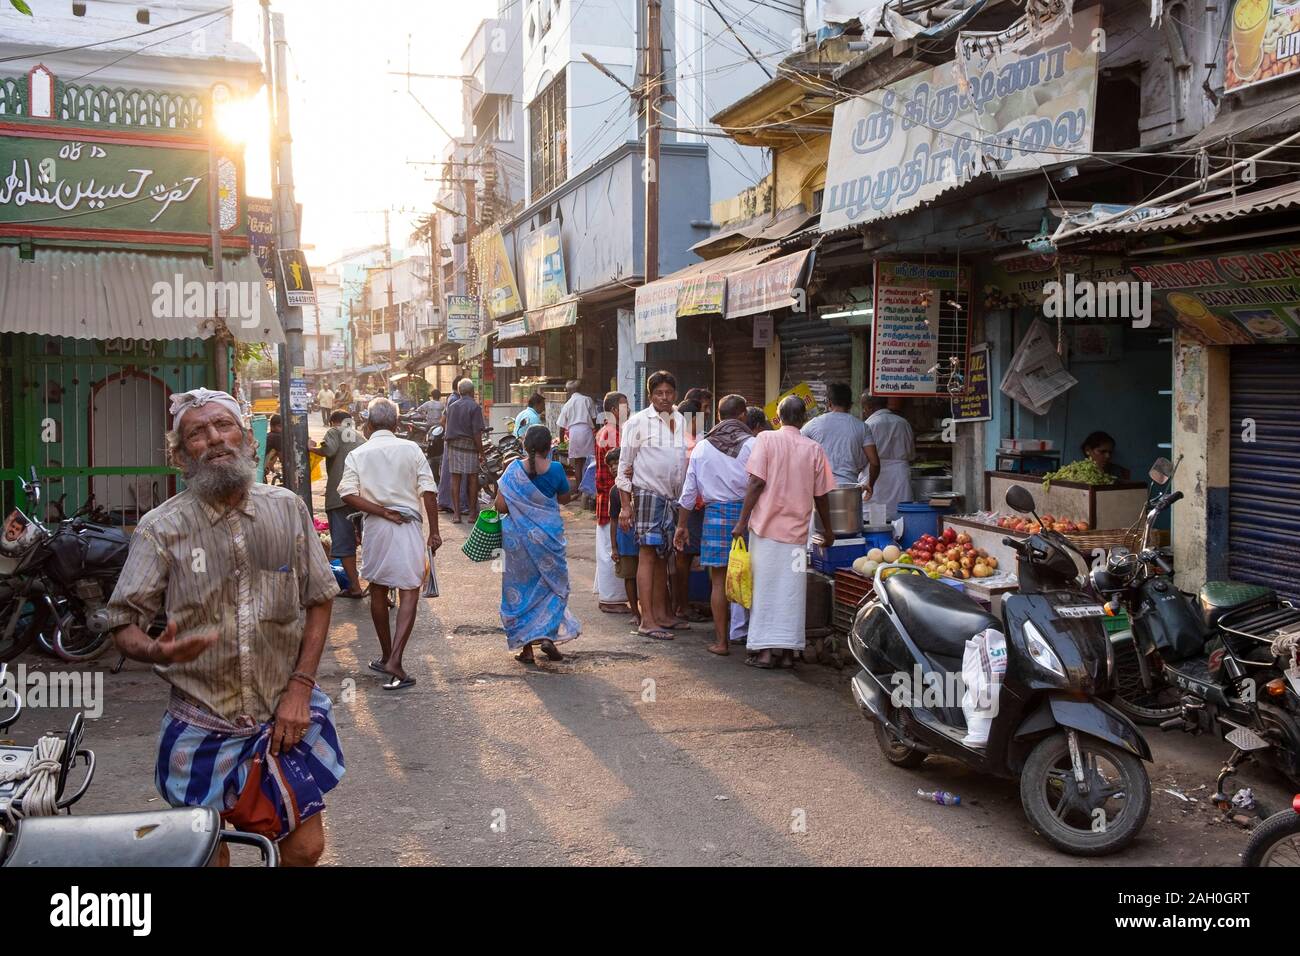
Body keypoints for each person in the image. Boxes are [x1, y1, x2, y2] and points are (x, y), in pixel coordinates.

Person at [104, 388, 342, 866]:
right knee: (206, 856)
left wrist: (300, 687)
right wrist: (157, 651)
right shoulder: (160, 528)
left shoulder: (288, 510)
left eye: (223, 425)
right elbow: (123, 624)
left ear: (247, 440)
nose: (214, 438)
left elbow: (319, 600)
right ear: (180, 455)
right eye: (197, 432)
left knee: (304, 850)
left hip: (283, 717)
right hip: (200, 724)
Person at [337, 398, 440, 691]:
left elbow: (346, 493)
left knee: (379, 589)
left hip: (376, 527)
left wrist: (380, 511)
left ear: (368, 426)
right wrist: (434, 532)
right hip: (407, 526)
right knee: (409, 591)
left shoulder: (358, 453)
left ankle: (386, 656)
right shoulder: (411, 449)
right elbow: (428, 492)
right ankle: (395, 659)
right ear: (396, 424)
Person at [733, 395, 836, 670]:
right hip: (797, 535)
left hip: (766, 531)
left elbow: (756, 483)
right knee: (792, 593)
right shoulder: (814, 449)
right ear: (803, 418)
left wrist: (741, 522)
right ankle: (788, 653)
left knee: (765, 591)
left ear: (778, 416)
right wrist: (828, 528)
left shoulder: (766, 440)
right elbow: (822, 496)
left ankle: (766, 653)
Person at [673, 394, 754, 656]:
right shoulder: (753, 444)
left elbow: (688, 493)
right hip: (749, 516)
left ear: (718, 416)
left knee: (718, 582)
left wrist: (681, 525)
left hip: (715, 517)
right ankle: (753, 637)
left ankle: (721, 642)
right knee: (752, 577)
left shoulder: (702, 447)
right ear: (743, 415)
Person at [494, 425, 581, 665]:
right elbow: (564, 498)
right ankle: (548, 637)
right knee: (553, 588)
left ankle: (527, 651)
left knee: (520, 593)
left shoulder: (512, 470)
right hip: (548, 539)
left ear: (524, 445)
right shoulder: (555, 469)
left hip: (517, 543)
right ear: (548, 448)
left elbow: (500, 507)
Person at [616, 370, 688, 640]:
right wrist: (626, 505)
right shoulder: (637, 422)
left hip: (672, 498)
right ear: (650, 396)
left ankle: (662, 614)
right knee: (647, 554)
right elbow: (623, 469)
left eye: (669, 393)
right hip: (647, 494)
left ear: (675, 395)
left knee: (663, 556)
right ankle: (646, 620)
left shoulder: (681, 420)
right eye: (659, 393)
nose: (664, 397)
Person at [309, 410, 367, 599]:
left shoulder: (334, 431)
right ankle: (378, 586)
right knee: (368, 539)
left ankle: (355, 587)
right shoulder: (359, 435)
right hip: (364, 496)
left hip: (340, 496)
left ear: (333, 421)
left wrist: (310, 447)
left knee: (344, 542)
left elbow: (329, 450)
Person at [593, 391, 631, 613]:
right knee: (611, 549)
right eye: (625, 406)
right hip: (611, 498)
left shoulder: (609, 431)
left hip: (607, 497)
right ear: (615, 410)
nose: (629, 410)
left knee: (608, 547)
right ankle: (610, 599)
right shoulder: (612, 434)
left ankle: (611, 596)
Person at [670, 398, 707, 625]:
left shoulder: (682, 440)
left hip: (684, 503)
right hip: (689, 506)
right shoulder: (688, 443)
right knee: (683, 555)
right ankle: (681, 606)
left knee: (681, 557)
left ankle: (680, 604)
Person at [802, 383, 869, 488]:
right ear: (850, 404)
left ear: (829, 403)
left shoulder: (814, 424)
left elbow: (796, 445)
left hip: (822, 487)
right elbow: (874, 462)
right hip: (849, 487)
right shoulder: (862, 427)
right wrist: (870, 485)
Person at [861, 393, 915, 520]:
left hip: (874, 475)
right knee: (900, 515)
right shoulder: (903, 423)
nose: (863, 411)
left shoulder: (868, 425)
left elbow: (861, 458)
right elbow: (911, 454)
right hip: (900, 476)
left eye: (864, 407)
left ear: (869, 407)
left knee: (873, 518)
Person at [605, 447, 640, 626]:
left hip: (643, 536)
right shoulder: (614, 491)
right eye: (610, 465)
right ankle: (635, 612)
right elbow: (613, 521)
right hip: (625, 539)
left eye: (616, 463)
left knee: (652, 573)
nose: (613, 467)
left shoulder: (641, 483)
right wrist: (614, 547)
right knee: (629, 576)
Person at [443, 378, 486, 523]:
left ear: (460, 391)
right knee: (472, 480)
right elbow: (477, 433)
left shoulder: (452, 406)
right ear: (472, 391)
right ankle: (472, 514)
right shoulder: (475, 407)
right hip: (470, 447)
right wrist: (482, 452)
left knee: (455, 480)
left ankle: (456, 514)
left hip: (454, 446)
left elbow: (447, 427)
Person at [556, 380, 597, 493]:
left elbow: (561, 427)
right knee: (590, 462)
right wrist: (597, 432)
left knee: (578, 463)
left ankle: (579, 489)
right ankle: (589, 489)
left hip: (574, 433)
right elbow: (594, 419)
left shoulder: (567, 404)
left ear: (569, 391)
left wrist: (561, 442)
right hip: (587, 431)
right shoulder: (587, 400)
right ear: (580, 389)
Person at [263, 413, 286, 484]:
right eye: (279, 426)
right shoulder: (276, 437)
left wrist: (274, 470)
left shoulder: (269, 435)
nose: (282, 429)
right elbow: (283, 459)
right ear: (272, 426)